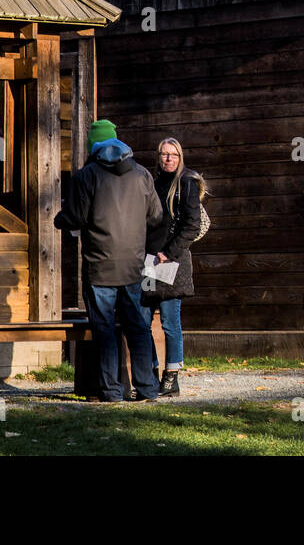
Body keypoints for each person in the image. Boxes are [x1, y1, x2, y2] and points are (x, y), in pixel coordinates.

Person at [55, 119, 164, 402]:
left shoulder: (86, 176)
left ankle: (111, 391)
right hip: (133, 266)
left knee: (104, 331)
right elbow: (156, 217)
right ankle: (148, 389)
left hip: (99, 266)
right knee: (138, 328)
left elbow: (75, 217)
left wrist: (60, 217)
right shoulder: (142, 175)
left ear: (94, 147)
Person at [142, 137, 206, 397]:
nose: (169, 159)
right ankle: (151, 373)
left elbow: (191, 224)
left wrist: (168, 253)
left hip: (171, 262)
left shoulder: (186, 182)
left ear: (180, 158)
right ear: (158, 157)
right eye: (164, 154)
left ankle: (171, 377)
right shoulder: (153, 183)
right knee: (143, 320)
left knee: (170, 322)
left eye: (174, 155)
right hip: (149, 262)